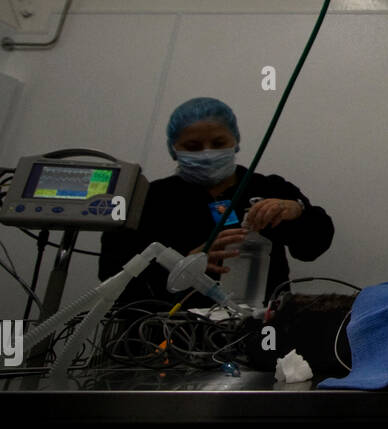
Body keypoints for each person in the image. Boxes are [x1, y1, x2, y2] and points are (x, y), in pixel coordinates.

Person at [100, 97, 334, 308]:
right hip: (169, 329)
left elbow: (312, 248)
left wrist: (298, 212)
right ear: (173, 148)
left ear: (236, 141)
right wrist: (183, 264)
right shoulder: (148, 198)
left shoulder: (268, 188)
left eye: (219, 143)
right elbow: (111, 275)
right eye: (193, 147)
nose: (207, 153)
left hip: (257, 325)